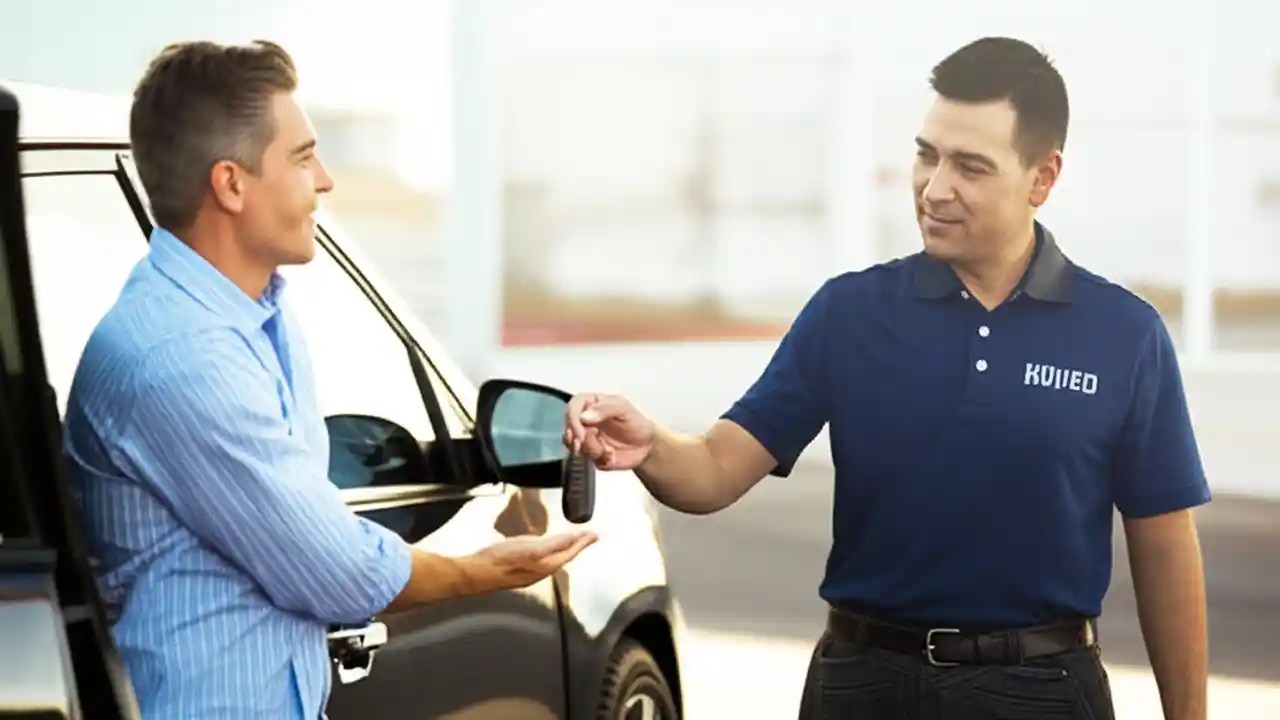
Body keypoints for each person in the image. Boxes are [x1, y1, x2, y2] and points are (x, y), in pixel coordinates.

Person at [565, 36, 1209, 720]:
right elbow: (718, 467)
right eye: (926, 154)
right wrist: (651, 445)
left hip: (1041, 692)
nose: (935, 188)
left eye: (970, 166)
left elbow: (1165, 551)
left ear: (1042, 178)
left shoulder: (1124, 334)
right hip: (862, 687)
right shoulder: (848, 314)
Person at [62, 40, 595, 719]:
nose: (326, 180)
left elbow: (294, 495)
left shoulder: (253, 320)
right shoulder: (178, 355)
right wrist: (488, 569)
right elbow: (334, 571)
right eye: (303, 156)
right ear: (230, 183)